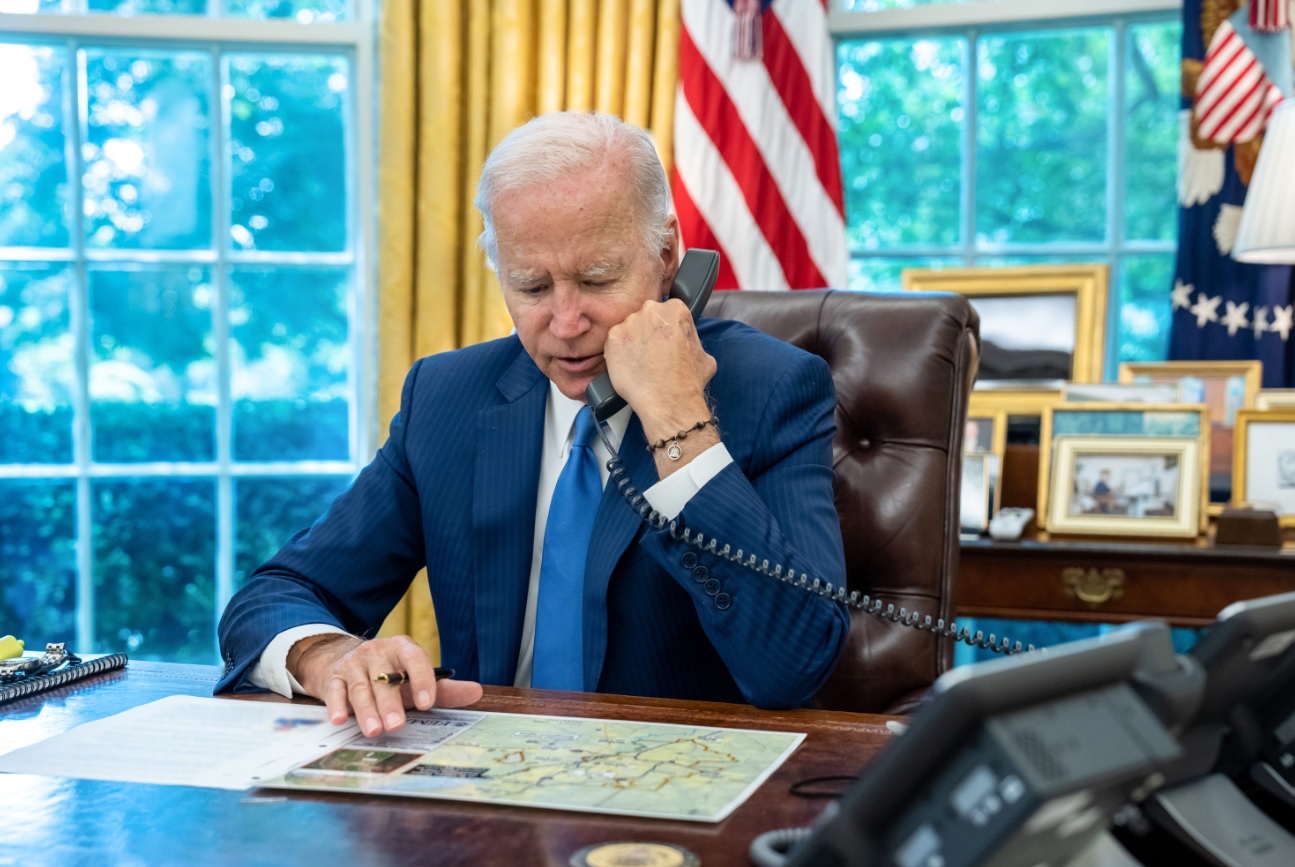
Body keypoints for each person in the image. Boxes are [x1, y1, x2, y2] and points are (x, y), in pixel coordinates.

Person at [216, 111, 850, 736]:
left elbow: (790, 668)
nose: (567, 322)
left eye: (597, 278)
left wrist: (677, 418)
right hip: (485, 790)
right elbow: (276, 593)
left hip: (669, 799)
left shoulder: (771, 389)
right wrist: (329, 657)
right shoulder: (447, 397)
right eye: (532, 286)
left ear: (666, 255)